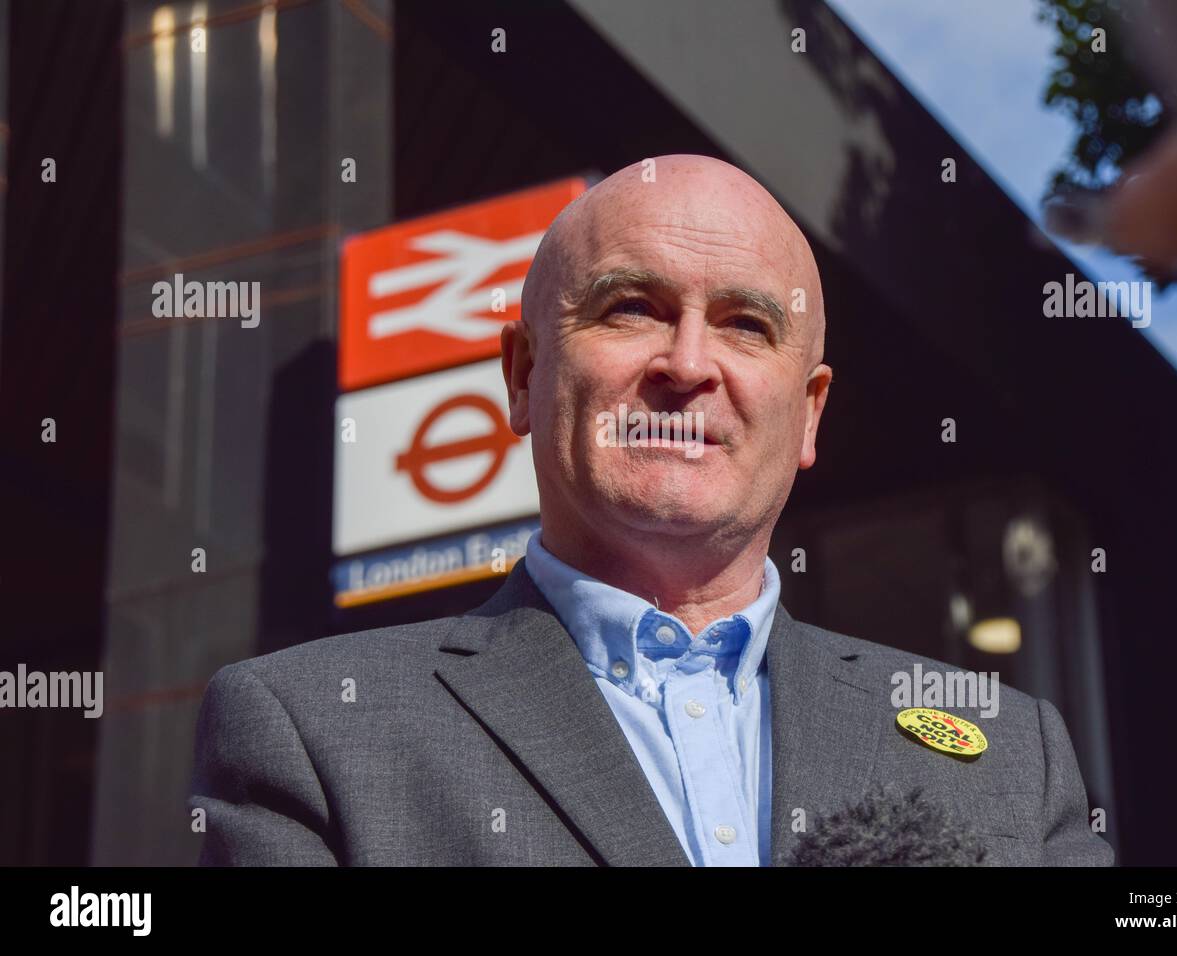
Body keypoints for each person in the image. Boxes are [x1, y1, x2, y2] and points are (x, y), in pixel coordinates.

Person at [189, 155, 1113, 866]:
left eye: (748, 325)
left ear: (809, 412)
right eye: (631, 308)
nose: (687, 363)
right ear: (522, 376)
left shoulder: (1006, 756)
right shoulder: (313, 731)